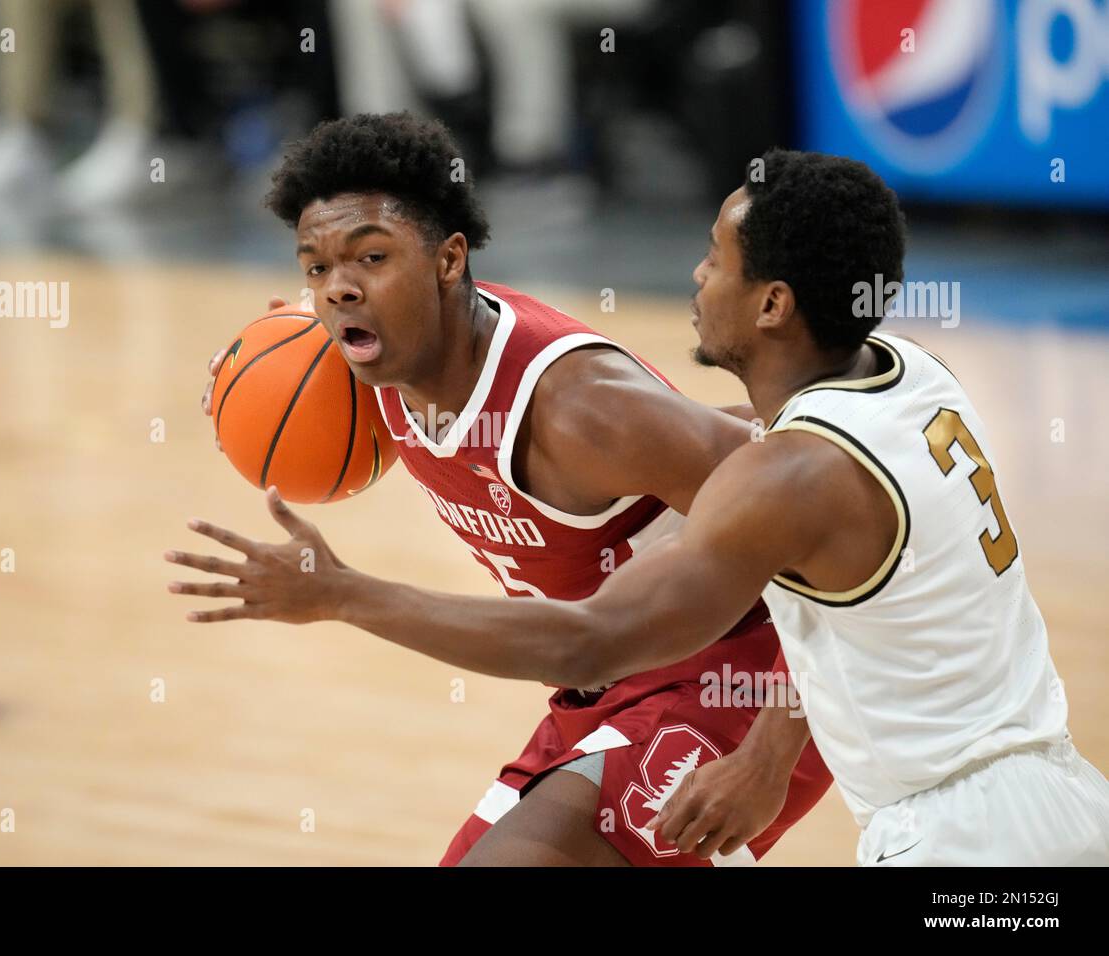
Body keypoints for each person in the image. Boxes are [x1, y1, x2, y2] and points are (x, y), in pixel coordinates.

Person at [168, 146, 1109, 866]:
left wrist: (342, 595)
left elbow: (588, 636)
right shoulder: (910, 380)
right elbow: (825, 569)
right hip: (1035, 792)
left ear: (774, 304)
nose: (694, 277)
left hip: (946, 822)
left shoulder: (745, 464)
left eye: (714, 259)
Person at [169, 113, 832, 866]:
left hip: (741, 683)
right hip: (601, 684)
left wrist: (771, 756)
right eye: (316, 269)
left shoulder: (580, 406)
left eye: (372, 257)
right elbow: (274, 356)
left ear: (450, 262)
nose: (338, 291)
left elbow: (819, 522)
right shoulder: (368, 347)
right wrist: (236, 390)